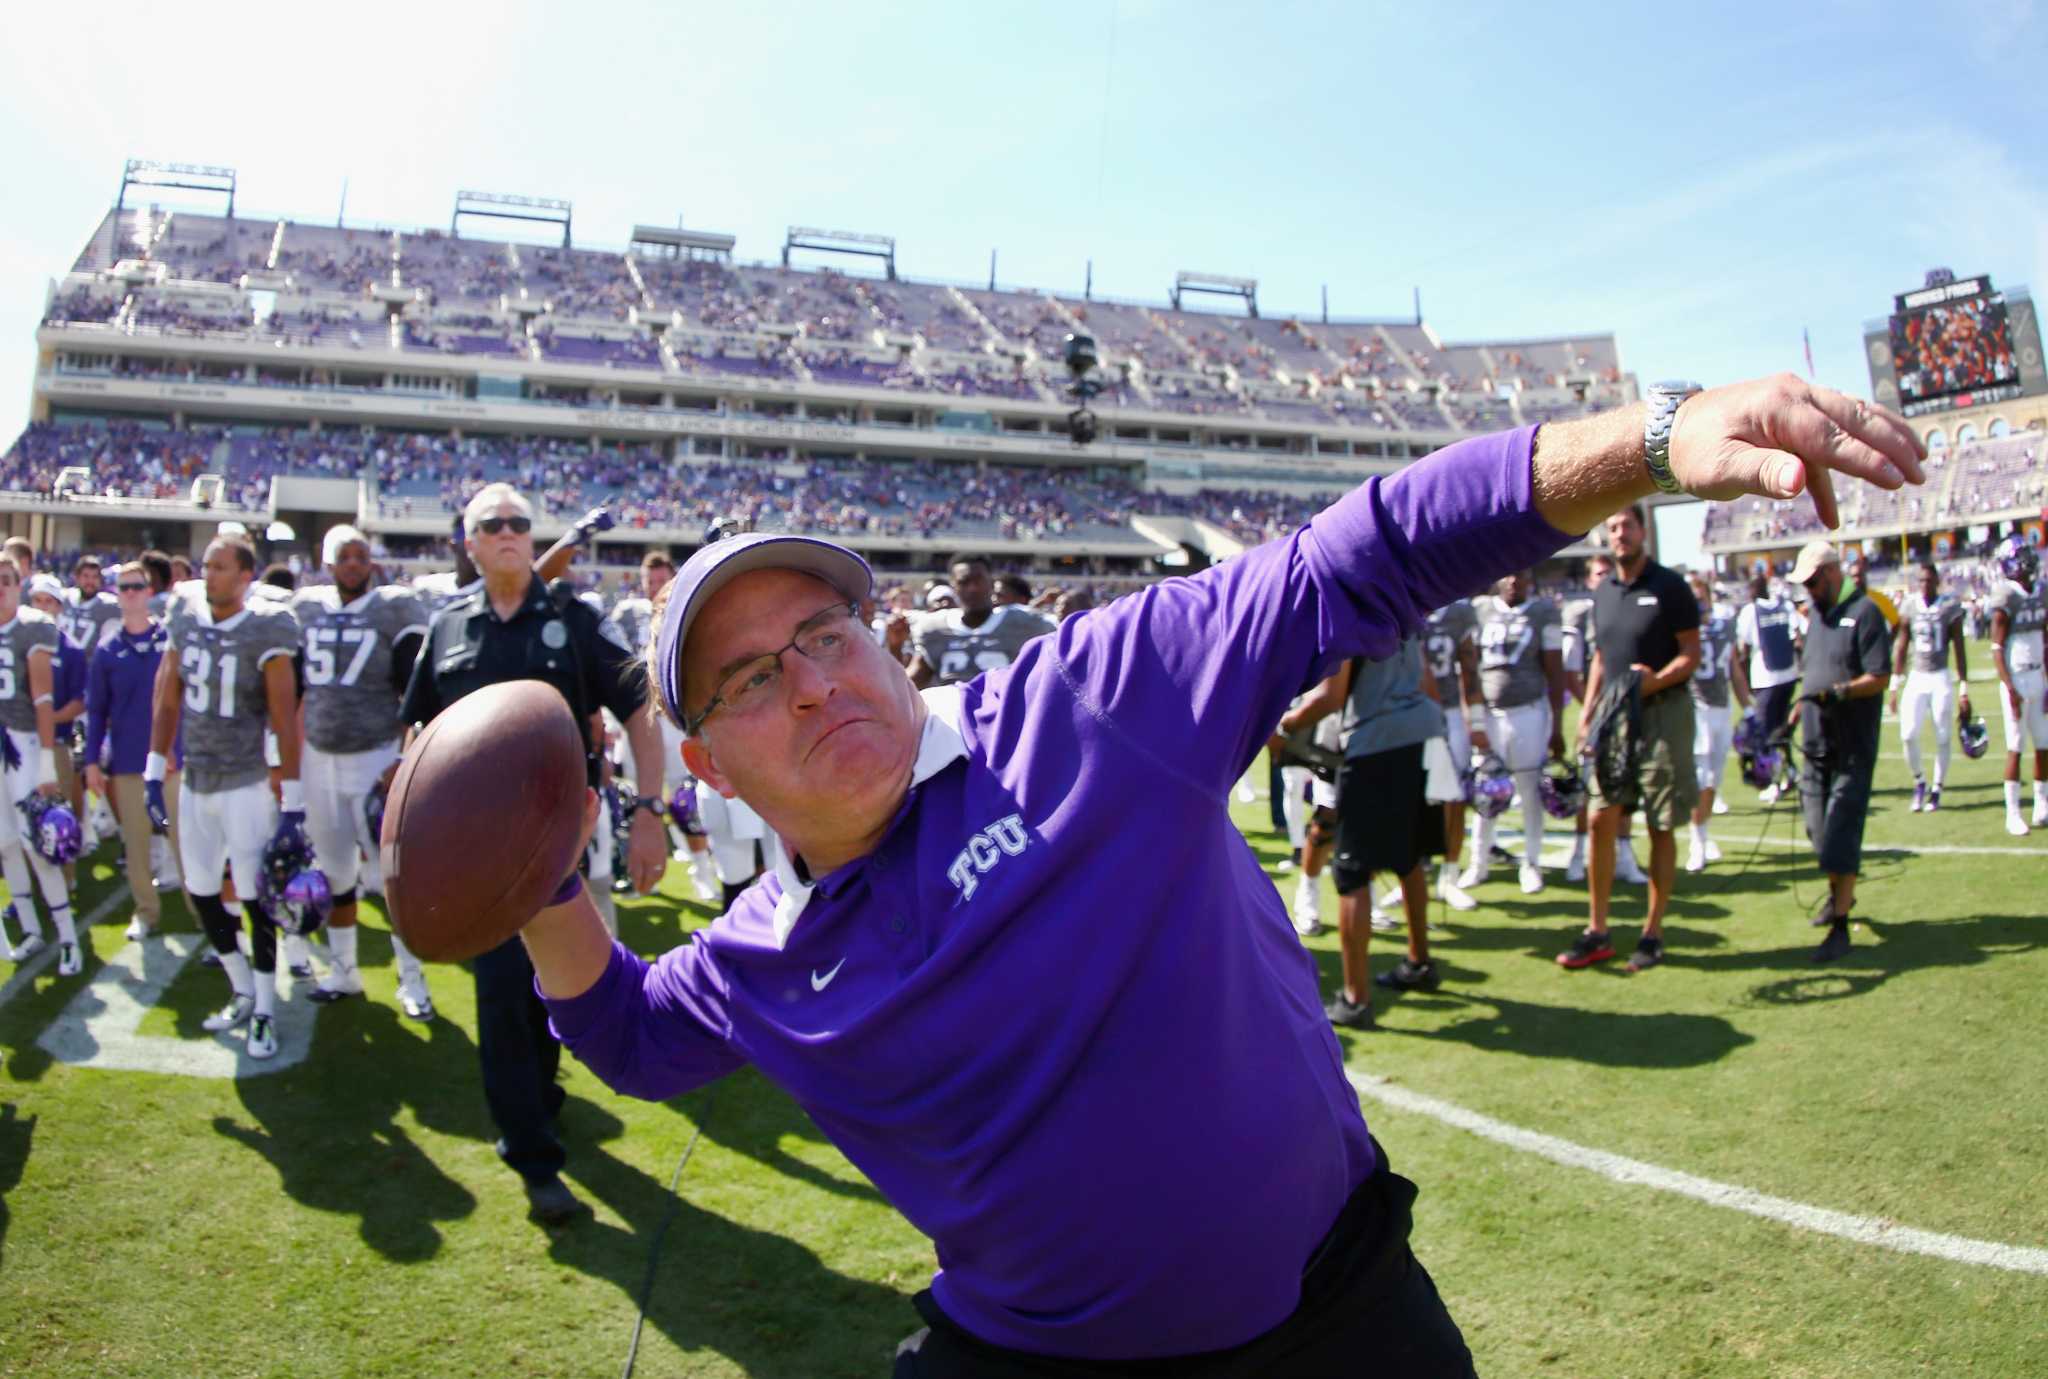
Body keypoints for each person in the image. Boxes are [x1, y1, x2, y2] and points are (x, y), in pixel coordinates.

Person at [509, 373, 1923, 1373]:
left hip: (1342, 1313)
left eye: (826, 631)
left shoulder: (1089, 705)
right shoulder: (761, 957)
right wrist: (530, 874)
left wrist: (1658, 435)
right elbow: (629, 1033)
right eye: (753, 675)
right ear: (703, 763)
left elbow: (1356, 556)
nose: (813, 683)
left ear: (890, 641)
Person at [397, 482, 668, 1225]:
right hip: (475, 856)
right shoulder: (447, 627)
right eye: (494, 523)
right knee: (501, 997)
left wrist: (649, 811)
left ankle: (541, 1102)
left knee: (555, 989)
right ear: (471, 543)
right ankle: (531, 1151)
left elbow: (639, 707)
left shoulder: (573, 619)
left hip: (559, 848)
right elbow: (416, 737)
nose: (510, 531)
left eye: (520, 522)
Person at [146, 533, 304, 1060]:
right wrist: (153, 767)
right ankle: (241, 986)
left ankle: (263, 1008)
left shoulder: (268, 626)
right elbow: (167, 693)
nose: (208, 574)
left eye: (220, 567)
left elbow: (284, 717)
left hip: (245, 783)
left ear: (244, 576)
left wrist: (295, 798)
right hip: (195, 780)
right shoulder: (184, 613)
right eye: (206, 565)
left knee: (257, 898)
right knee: (202, 890)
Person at [289, 525, 436, 1018]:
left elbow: (415, 692)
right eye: (343, 557)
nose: (353, 564)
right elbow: (293, 690)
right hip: (319, 757)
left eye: (360, 556)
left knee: (391, 876)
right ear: (327, 563)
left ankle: (411, 979)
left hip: (375, 757)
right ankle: (344, 972)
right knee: (334, 872)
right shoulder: (306, 606)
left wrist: (402, 757)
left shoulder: (394, 607)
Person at [1281, 638, 1450, 1025]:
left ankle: (1355, 999)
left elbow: (1330, 697)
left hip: (1377, 743)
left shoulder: (1352, 616)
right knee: (1409, 857)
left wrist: (1286, 723)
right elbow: (1426, 682)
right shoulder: (1404, 611)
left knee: (1352, 871)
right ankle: (1419, 962)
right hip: (1424, 733)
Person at [1562, 503, 1700, 973]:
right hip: (1614, 719)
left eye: (1628, 525)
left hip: (1664, 714)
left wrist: (1655, 681)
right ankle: (1597, 929)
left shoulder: (1670, 586)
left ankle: (1652, 933)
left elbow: (1691, 653)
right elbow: (1601, 657)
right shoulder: (1604, 593)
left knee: (1661, 824)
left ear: (1643, 530)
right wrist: (1588, 715)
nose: (1621, 534)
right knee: (1601, 816)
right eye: (1614, 527)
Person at [1788, 539, 1893, 962]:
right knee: (1818, 830)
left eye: (1813, 581)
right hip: (1814, 743)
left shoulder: (1866, 612)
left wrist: (1843, 692)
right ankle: (1838, 898)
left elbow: (1880, 675)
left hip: (1851, 742)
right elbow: (1810, 674)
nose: (1809, 590)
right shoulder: (1815, 615)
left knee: (1840, 833)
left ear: (1833, 573)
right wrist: (1796, 712)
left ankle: (1840, 926)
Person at [84, 562, 180, 942]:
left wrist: (178, 747)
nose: (131, 593)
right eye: (124, 587)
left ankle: (203, 911)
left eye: (138, 586)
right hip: (126, 761)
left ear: (149, 591)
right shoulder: (108, 650)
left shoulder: (170, 640)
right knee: (136, 845)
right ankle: (145, 910)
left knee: (183, 842)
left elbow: (184, 699)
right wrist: (92, 761)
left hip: (170, 762)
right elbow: (96, 711)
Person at [0, 556, 83, 973]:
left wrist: (49, 762)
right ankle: (31, 928)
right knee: (5, 842)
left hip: (24, 745)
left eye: (6, 581)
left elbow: (42, 699)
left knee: (39, 843)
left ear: (19, 585)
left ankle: (68, 937)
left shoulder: (33, 626)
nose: (0, 588)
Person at [1466, 570, 1566, 895]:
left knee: (1530, 790)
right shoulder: (1480, 609)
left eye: (1521, 575)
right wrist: (1476, 719)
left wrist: (1557, 725)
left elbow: (1554, 669)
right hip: (1490, 714)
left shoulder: (1543, 612)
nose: (1513, 581)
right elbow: (1469, 668)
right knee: (1487, 790)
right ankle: (1478, 862)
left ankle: (1531, 862)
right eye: (1508, 574)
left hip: (1529, 711)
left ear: (1531, 578)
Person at [1890, 562, 1968, 812]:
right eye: (1920, 580)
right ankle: (1919, 781)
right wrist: (1895, 683)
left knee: (1943, 736)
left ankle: (1937, 788)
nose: (1924, 585)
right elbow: (1902, 645)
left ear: (1936, 582)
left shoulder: (1949, 606)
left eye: (1928, 580)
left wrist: (1964, 685)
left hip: (1940, 676)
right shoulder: (1910, 605)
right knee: (1908, 734)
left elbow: (1959, 646)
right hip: (1917, 676)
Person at [1686, 571, 1751, 871]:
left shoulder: (1725, 627)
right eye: (1692, 600)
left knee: (1715, 779)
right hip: (1696, 710)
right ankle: (1696, 841)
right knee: (1702, 780)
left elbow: (1735, 670)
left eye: (1700, 599)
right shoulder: (1681, 631)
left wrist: (1748, 707)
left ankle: (1703, 832)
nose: (1697, 605)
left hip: (1722, 710)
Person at [908, 556, 1054, 689]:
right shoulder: (934, 627)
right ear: (954, 588)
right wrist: (895, 646)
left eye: (978, 580)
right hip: (953, 715)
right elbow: (912, 683)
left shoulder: (1026, 623)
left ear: (991, 584)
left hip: (1005, 714)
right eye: (964, 582)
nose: (973, 588)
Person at [1421, 598, 1481, 909]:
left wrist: (1479, 721)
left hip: (1450, 713)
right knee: (1412, 799)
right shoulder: (1403, 595)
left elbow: (1470, 669)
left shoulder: (1459, 611)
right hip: (1409, 714)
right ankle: (1413, 875)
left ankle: (1450, 875)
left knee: (1455, 798)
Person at [1988, 536, 2047, 836]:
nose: (2029, 559)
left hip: (2039, 676)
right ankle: (2013, 813)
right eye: (2022, 555)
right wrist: (2009, 688)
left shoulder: (2042, 591)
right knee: (2015, 747)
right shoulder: (2005, 595)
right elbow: (1997, 648)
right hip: (2017, 678)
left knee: (2044, 744)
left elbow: (2045, 640)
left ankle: (2042, 805)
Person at [1736, 570, 1803, 804]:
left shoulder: (1750, 611)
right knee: (1782, 729)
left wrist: (1745, 681)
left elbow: (1743, 649)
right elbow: (1798, 637)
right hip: (1789, 675)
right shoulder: (1785, 606)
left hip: (1765, 678)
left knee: (1765, 733)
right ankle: (1791, 771)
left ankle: (1774, 781)